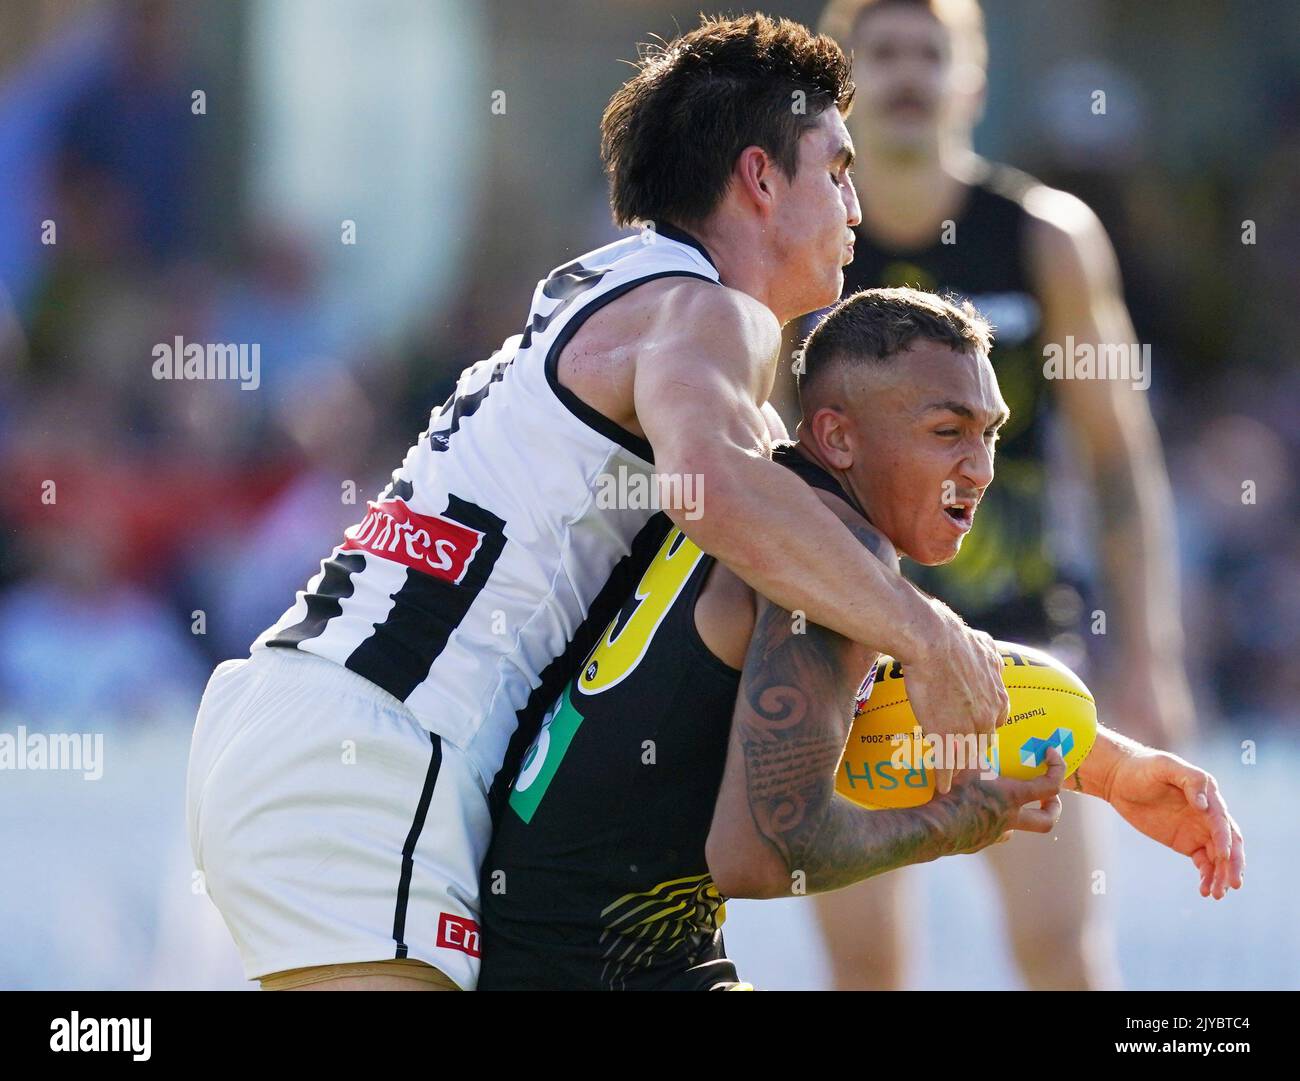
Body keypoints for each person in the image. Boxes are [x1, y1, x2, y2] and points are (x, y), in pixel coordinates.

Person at [184, 14, 1012, 993]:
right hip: (379, 752)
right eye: (834, 170)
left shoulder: (619, 288)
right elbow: (712, 490)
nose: (856, 206)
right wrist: (921, 632)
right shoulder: (709, 312)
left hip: (319, 725)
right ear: (757, 178)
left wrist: (1104, 759)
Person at [476, 288, 1244, 990]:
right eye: (947, 430)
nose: (979, 468)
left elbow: (930, 675)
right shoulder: (840, 554)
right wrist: (967, 818)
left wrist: (1109, 770)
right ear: (838, 436)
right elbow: (762, 853)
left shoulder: (776, 505)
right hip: (598, 969)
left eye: (990, 433)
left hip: (581, 945)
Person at [803, 0, 1198, 991]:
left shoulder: (1045, 239)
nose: (905, 73)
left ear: (971, 79)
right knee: (865, 974)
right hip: (854, 652)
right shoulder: (801, 251)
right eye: (879, 53)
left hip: (1020, 642)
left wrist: (1151, 654)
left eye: (929, 53)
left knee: (1059, 954)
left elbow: (1116, 457)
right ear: (839, 85)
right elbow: (758, 465)